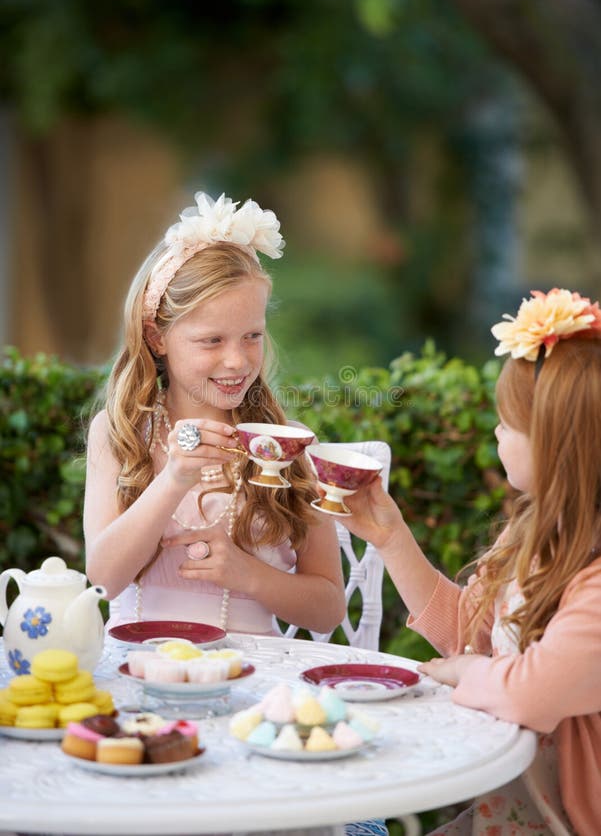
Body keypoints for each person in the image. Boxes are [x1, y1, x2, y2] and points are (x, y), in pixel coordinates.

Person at [337, 288, 601, 836]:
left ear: (559, 445)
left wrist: (465, 674)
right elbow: (469, 634)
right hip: (505, 817)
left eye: (508, 425)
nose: (496, 434)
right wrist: (390, 538)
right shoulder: (531, 538)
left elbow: (531, 690)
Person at [84, 190, 346, 637]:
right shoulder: (120, 432)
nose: (238, 361)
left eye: (251, 336)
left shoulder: (289, 445)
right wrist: (173, 480)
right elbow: (104, 582)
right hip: (138, 672)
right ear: (157, 336)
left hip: (257, 679)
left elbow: (328, 610)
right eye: (212, 341)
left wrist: (247, 574)